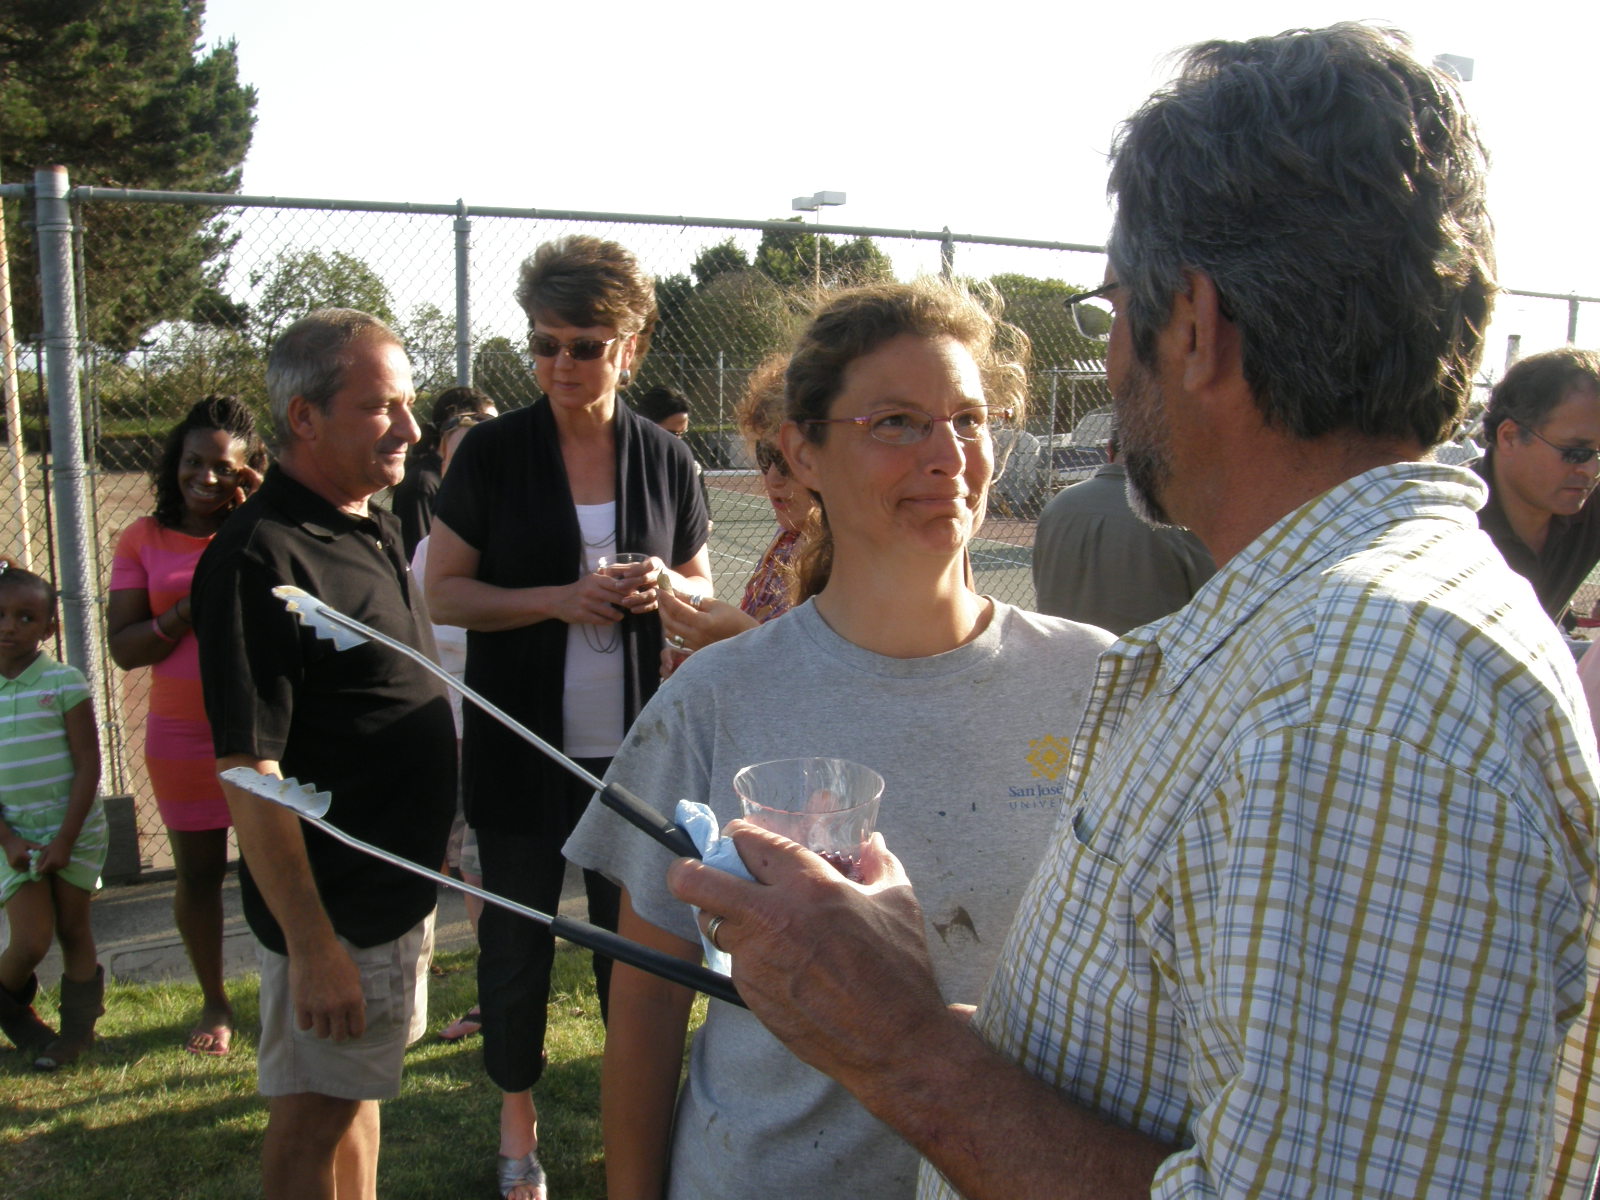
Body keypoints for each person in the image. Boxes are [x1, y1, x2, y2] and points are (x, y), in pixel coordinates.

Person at [667, 24, 1600, 1200]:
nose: (1110, 359)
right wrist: (901, 999)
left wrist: (905, 1051)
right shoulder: (1343, 650)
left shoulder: (1356, 695)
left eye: (1115, 313)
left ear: (1194, 326)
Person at [564, 280, 1115, 1199]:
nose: (950, 456)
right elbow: (651, 993)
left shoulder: (1097, 682)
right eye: (897, 423)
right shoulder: (715, 698)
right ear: (802, 452)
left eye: (971, 420)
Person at [426, 235, 711, 1200]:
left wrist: (663, 585)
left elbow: (701, 593)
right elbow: (444, 595)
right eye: (542, 344)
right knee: (516, 946)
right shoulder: (495, 455)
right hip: (520, 751)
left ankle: (633, 1137)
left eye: (582, 346)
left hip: (632, 760)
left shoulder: (667, 459)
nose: (557, 365)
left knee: (631, 957)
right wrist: (556, 599)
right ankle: (519, 1128)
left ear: (628, 346)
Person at [193, 309, 455, 1200]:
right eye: (383, 407)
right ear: (305, 417)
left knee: (357, 1096)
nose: (411, 431)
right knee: (312, 1115)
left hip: (388, 897)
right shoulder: (257, 558)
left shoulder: (367, 525)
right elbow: (248, 771)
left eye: (410, 404)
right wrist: (314, 948)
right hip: (334, 914)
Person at [106, 395, 266, 1057]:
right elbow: (124, 645)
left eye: (223, 468)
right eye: (192, 462)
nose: (205, 478)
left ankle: (284, 987)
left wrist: (264, 504)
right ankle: (215, 1000)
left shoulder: (261, 528)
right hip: (180, 737)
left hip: (259, 729)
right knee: (198, 875)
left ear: (247, 472)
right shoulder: (142, 537)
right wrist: (182, 615)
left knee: (272, 870)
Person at [409, 407, 497, 1045]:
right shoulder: (422, 551)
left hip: (497, 726)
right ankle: (491, 988)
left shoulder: (520, 543)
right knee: (460, 863)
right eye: (454, 454)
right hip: (444, 728)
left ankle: (500, 994)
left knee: (481, 864)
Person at [0, 562, 105, 1071]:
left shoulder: (65, 683)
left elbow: (88, 762)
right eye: (0, 615)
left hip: (74, 832)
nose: (9, 626)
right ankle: (21, 1025)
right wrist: (9, 841)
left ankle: (76, 1034)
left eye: (25, 617)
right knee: (30, 942)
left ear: (48, 628)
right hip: (11, 837)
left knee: (73, 930)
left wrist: (65, 838)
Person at [656, 352, 815, 669]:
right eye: (765, 456)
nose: (771, 478)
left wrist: (736, 643)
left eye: (787, 460)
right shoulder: (788, 540)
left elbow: (827, 687)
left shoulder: (852, 562)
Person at [1031, 426, 1214, 633]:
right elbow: (1216, 600)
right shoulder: (1178, 513)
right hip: (1148, 658)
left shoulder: (1059, 504)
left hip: (1060, 650)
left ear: (1109, 451)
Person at [1473, 347, 1600, 623]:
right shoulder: (1444, 517)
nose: (1592, 470)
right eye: (1576, 452)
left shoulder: (1589, 501)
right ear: (1509, 437)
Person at [389, 385, 498, 559]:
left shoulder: (476, 480)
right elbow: (416, 557)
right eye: (487, 422)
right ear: (458, 425)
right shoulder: (422, 483)